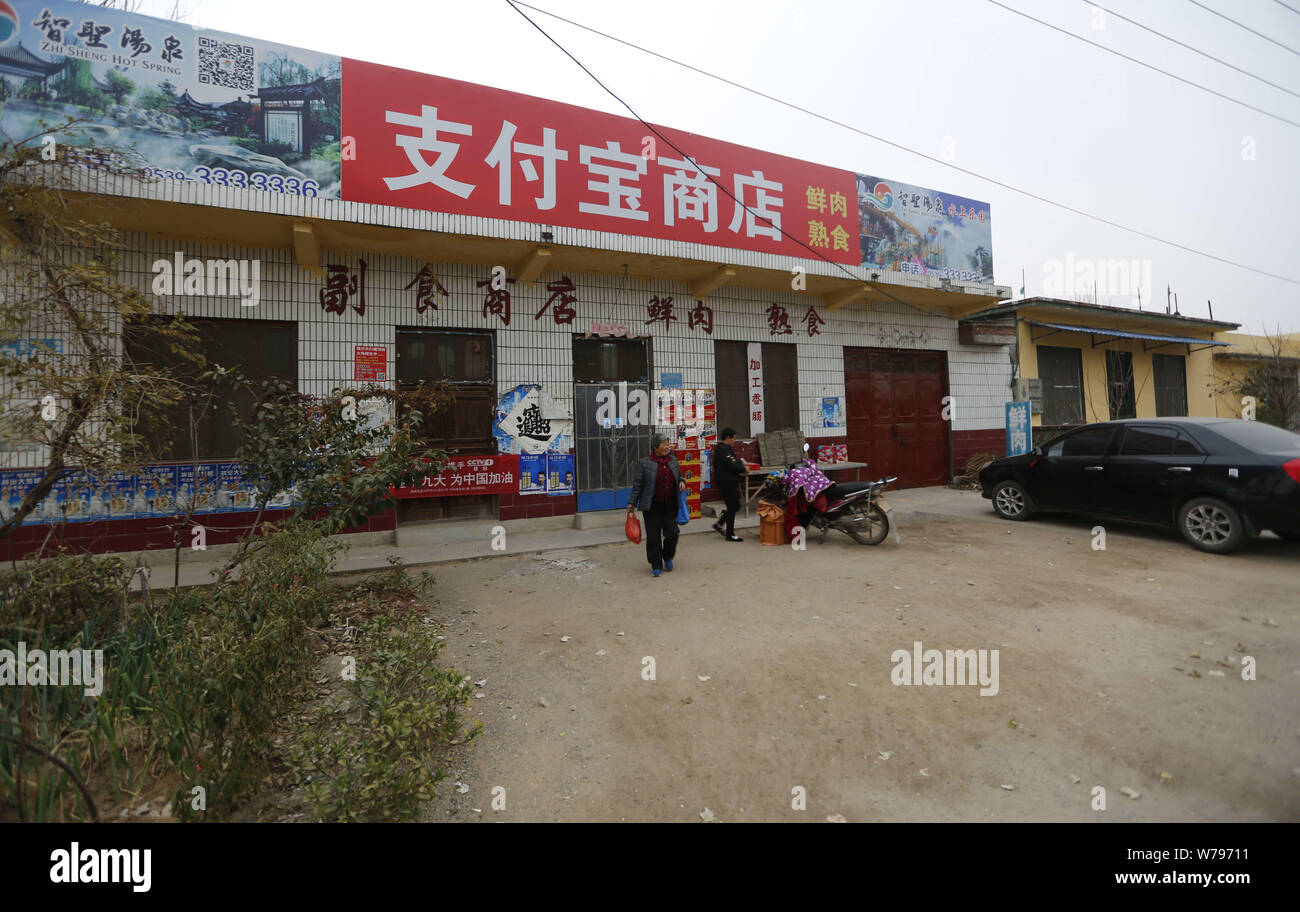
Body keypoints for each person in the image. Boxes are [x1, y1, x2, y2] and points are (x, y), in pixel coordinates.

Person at [627, 434, 685, 577]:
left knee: (673, 533)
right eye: (664, 444)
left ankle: (667, 556)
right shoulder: (644, 463)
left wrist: (682, 482)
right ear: (655, 447)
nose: (667, 447)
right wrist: (632, 502)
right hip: (652, 507)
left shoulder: (673, 461)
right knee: (653, 537)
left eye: (668, 443)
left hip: (670, 506)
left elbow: (679, 476)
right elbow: (638, 485)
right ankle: (656, 564)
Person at [710, 428, 748, 542]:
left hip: (728, 481)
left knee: (735, 506)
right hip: (726, 482)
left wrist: (741, 465)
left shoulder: (725, 449)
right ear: (728, 438)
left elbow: (734, 462)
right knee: (732, 507)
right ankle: (730, 534)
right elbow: (732, 466)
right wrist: (743, 468)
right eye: (733, 439)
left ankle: (719, 524)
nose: (734, 441)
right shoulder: (723, 450)